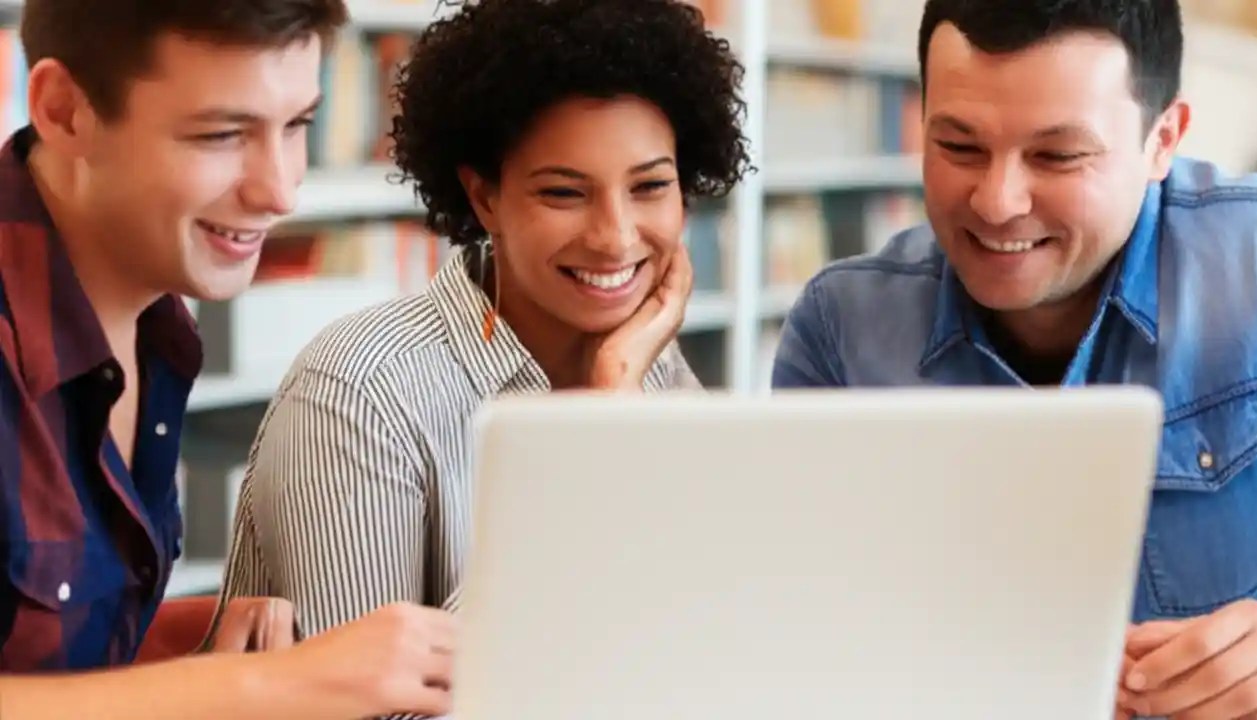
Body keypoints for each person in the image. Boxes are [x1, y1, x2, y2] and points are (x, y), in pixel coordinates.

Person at [772, 0, 1257, 717]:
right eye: (959, 147)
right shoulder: (840, 330)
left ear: (1162, 140)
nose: (997, 202)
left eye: (1056, 156)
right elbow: (802, 642)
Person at [216, 0, 748, 649]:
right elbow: (368, 696)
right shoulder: (361, 392)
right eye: (564, 192)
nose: (615, 238)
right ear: (484, 197)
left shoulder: (651, 364)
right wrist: (600, 428)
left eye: (650, 187)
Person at [0, 1, 455, 718]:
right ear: (64, 110)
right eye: (221, 135)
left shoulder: (156, 321)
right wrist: (271, 686)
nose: (280, 191)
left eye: (297, 125)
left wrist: (183, 649)